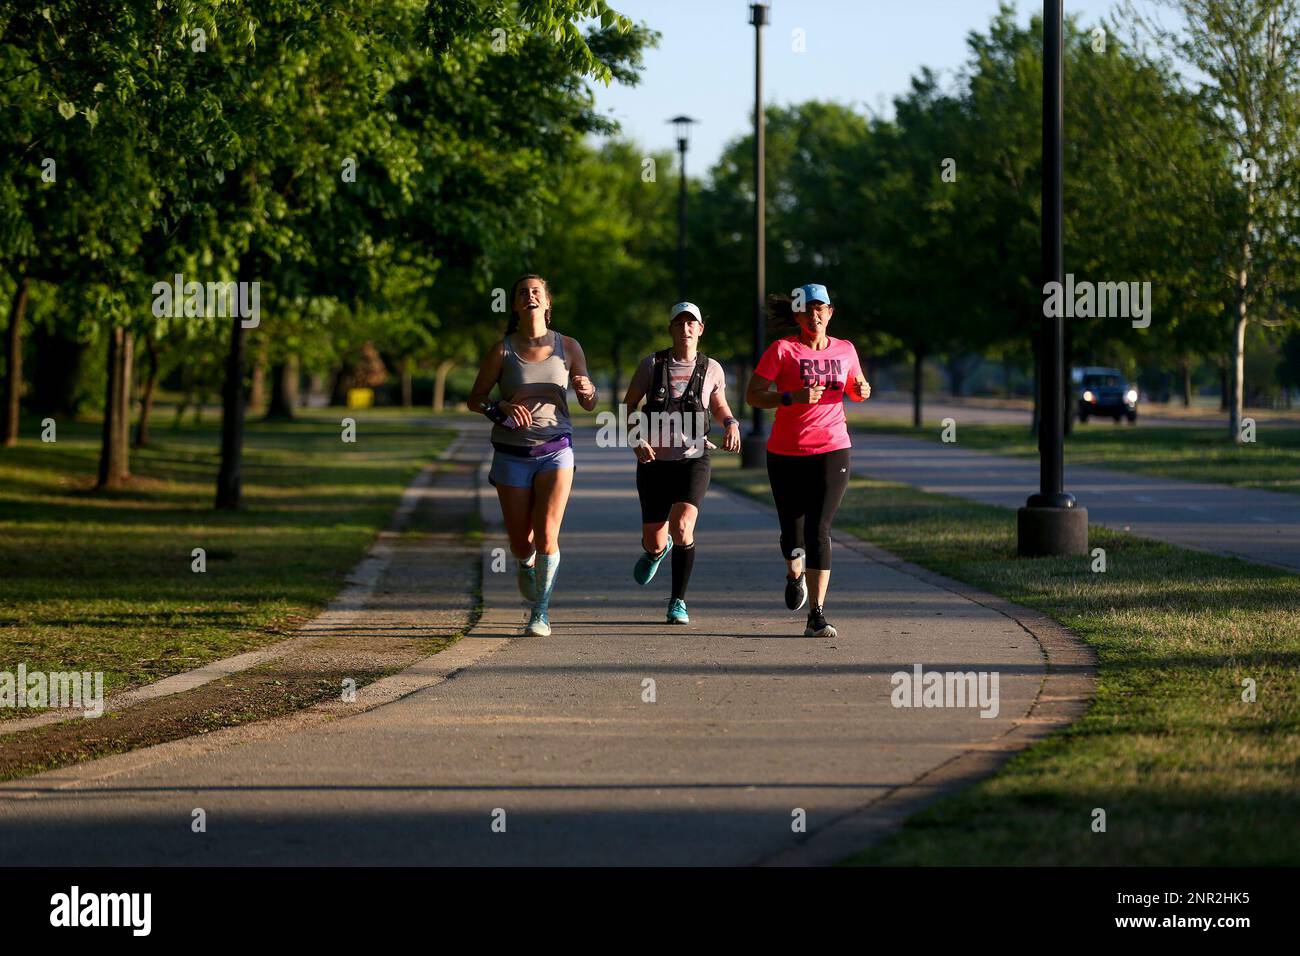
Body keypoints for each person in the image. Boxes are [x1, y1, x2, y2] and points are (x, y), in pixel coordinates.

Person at [467, 274, 597, 636]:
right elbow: (475, 399)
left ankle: (540, 612)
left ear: (548, 302)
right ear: (515, 305)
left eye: (536, 292)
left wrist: (588, 390)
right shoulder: (502, 350)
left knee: (547, 535)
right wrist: (500, 408)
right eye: (522, 293)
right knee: (521, 541)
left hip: (557, 449)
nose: (530, 297)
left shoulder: (569, 346)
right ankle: (525, 564)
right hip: (511, 453)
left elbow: (588, 402)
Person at [744, 283, 870, 638]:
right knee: (793, 533)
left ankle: (816, 614)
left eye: (821, 308)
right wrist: (790, 397)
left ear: (830, 312)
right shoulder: (783, 351)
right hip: (786, 452)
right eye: (808, 309)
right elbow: (754, 395)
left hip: (833, 447)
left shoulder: (846, 349)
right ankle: (794, 573)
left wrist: (862, 391)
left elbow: (855, 387)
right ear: (798, 315)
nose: (815, 315)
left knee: (819, 530)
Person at [622, 302, 740, 624]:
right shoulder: (651, 365)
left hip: (694, 458)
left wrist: (730, 422)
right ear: (671, 329)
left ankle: (677, 601)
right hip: (654, 461)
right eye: (680, 323)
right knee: (656, 537)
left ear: (700, 330)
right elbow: (629, 405)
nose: (686, 329)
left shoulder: (712, 368)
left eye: (692, 324)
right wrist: (636, 439)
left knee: (683, 525)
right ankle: (655, 551)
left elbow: (718, 404)